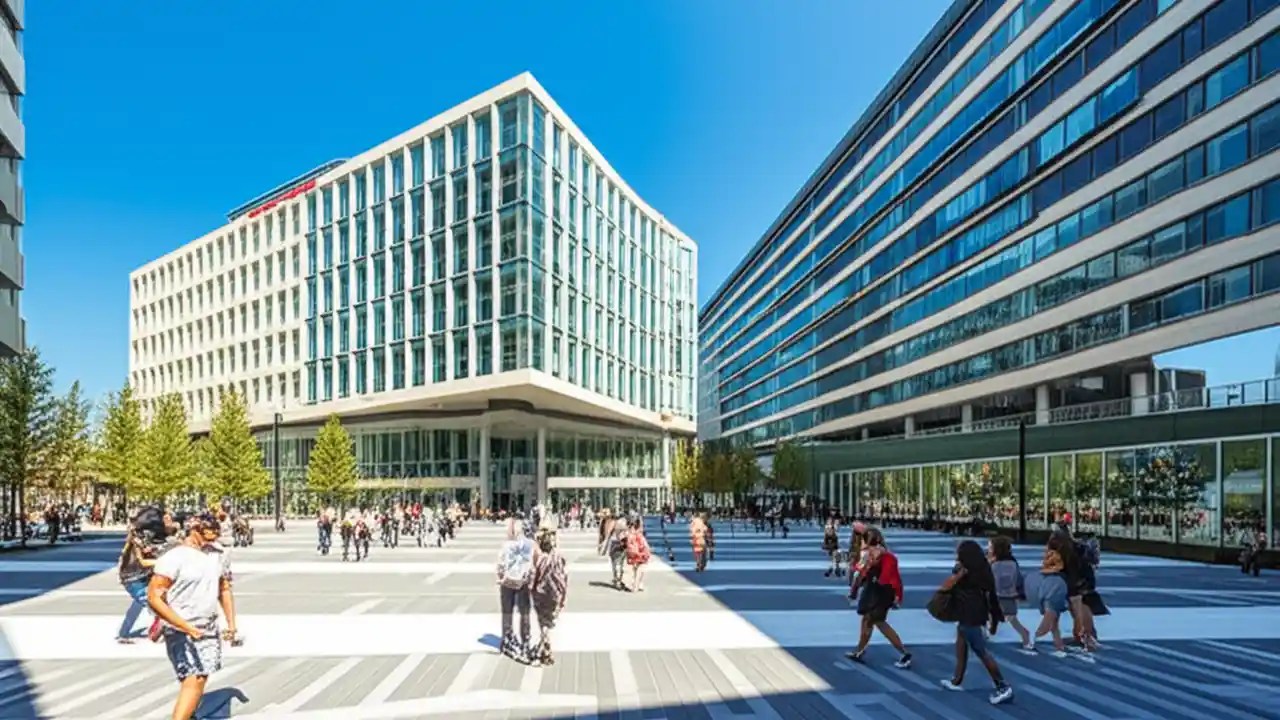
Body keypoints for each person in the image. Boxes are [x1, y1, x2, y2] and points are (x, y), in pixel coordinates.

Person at [147, 511, 238, 720]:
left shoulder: (218, 554)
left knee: (196, 677)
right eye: (210, 532)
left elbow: (224, 588)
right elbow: (154, 597)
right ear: (195, 530)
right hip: (180, 627)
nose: (215, 535)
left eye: (217, 531)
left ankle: (190, 714)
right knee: (195, 676)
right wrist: (185, 627)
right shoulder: (174, 557)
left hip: (208, 625)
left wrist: (232, 624)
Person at [938, 540, 1013, 705]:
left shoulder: (963, 570)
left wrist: (957, 575)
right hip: (976, 612)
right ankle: (957, 679)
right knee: (961, 643)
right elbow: (991, 594)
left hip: (968, 613)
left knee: (980, 650)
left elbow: (945, 587)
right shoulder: (983, 569)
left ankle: (1002, 685)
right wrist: (994, 619)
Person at [844, 528, 910, 668]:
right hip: (877, 592)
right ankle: (859, 650)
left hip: (880, 593)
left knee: (878, 622)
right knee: (868, 621)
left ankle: (904, 653)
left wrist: (866, 566)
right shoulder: (875, 555)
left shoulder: (880, 556)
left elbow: (884, 578)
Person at [496, 518, 535, 660]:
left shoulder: (506, 545)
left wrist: (500, 577)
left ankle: (507, 639)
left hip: (507, 583)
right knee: (524, 612)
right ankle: (525, 641)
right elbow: (534, 563)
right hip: (523, 582)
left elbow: (500, 565)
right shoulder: (530, 544)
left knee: (507, 611)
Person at [529, 527, 568, 666]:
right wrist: (563, 595)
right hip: (555, 594)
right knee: (548, 623)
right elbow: (564, 576)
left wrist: (529, 590)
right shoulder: (559, 557)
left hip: (541, 594)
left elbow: (533, 577)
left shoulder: (540, 559)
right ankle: (545, 650)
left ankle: (545, 649)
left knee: (543, 623)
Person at [988, 536, 1034, 653]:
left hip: (995, 595)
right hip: (1010, 594)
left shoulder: (993, 564)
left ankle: (990, 627)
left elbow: (988, 580)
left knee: (988, 611)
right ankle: (1024, 635)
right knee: (1011, 618)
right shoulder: (1013, 562)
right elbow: (1018, 578)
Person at [624, 517, 652, 592]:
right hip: (640, 551)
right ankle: (636, 585)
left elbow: (626, 540)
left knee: (632, 568)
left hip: (632, 551)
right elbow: (644, 542)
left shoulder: (629, 532)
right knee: (640, 568)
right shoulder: (640, 532)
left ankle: (631, 584)